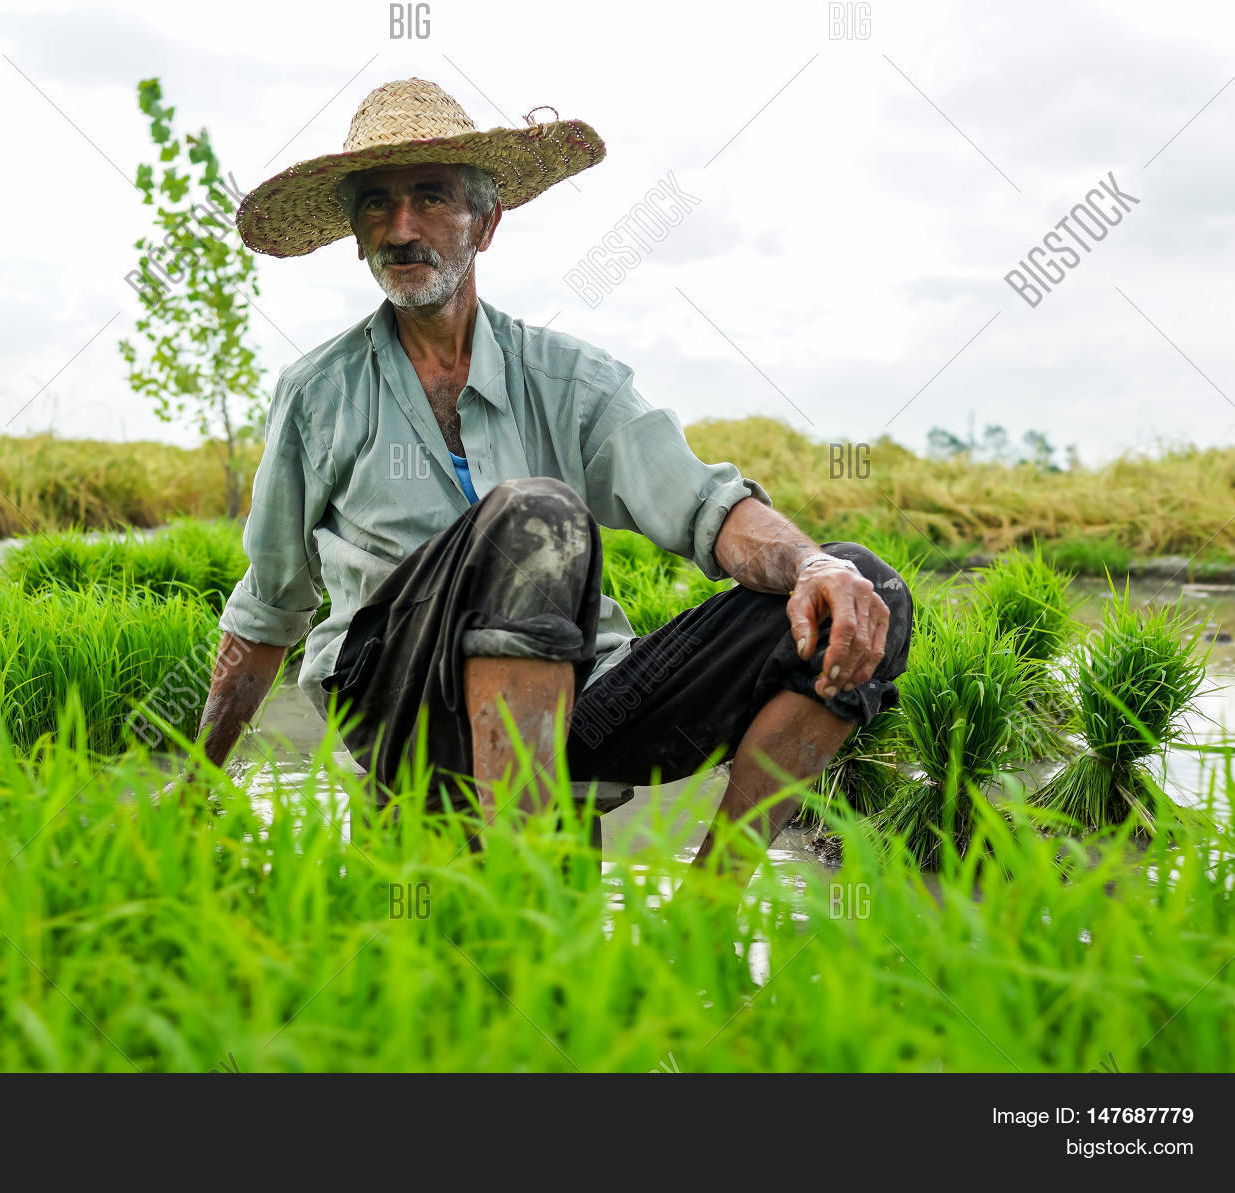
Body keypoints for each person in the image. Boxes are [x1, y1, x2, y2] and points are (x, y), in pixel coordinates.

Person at [186, 77, 913, 877]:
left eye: (430, 198)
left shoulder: (570, 380)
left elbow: (709, 508)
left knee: (869, 587)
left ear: (485, 222)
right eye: (376, 205)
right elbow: (269, 606)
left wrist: (815, 564)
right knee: (536, 517)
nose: (401, 227)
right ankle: (524, 890)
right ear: (356, 233)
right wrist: (196, 781)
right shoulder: (319, 393)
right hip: (401, 698)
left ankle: (712, 907)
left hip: (581, 698)